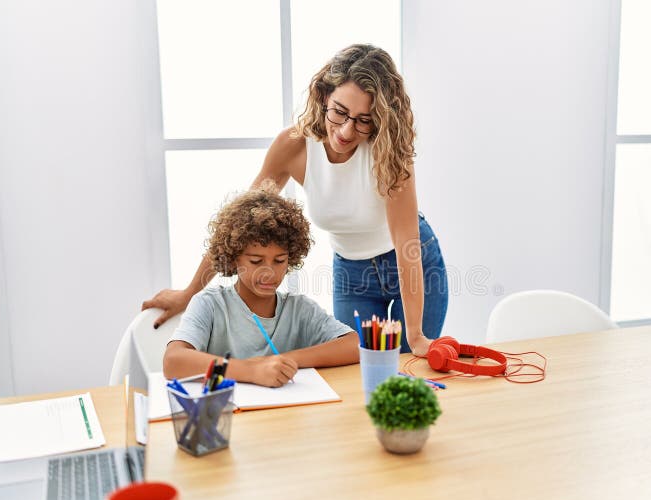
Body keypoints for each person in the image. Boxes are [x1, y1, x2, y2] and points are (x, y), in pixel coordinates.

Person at [145, 44, 448, 355]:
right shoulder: (293, 146)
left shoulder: (388, 151)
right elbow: (241, 224)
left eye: (363, 120)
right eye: (339, 112)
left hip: (412, 262)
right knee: (358, 368)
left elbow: (406, 242)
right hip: (352, 272)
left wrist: (415, 335)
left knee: (407, 365)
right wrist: (189, 293)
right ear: (323, 96)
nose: (345, 131)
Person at [163, 187, 359, 387]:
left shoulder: (299, 309)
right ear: (233, 259)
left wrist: (288, 360)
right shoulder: (211, 305)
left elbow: (355, 345)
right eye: (256, 261)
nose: (270, 273)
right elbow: (173, 362)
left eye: (279, 260)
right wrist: (252, 370)